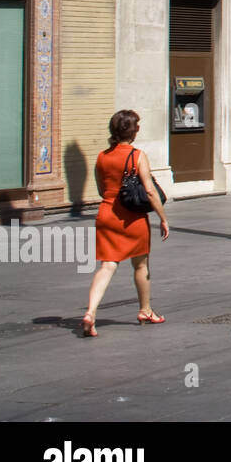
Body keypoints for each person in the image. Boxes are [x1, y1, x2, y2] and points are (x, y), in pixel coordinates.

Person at [81, 110, 171, 337]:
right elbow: (149, 191)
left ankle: (91, 312)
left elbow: (102, 190)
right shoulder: (137, 156)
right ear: (134, 131)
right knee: (140, 265)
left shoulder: (102, 157)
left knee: (107, 265)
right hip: (132, 218)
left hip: (107, 214)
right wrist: (163, 218)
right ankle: (145, 310)